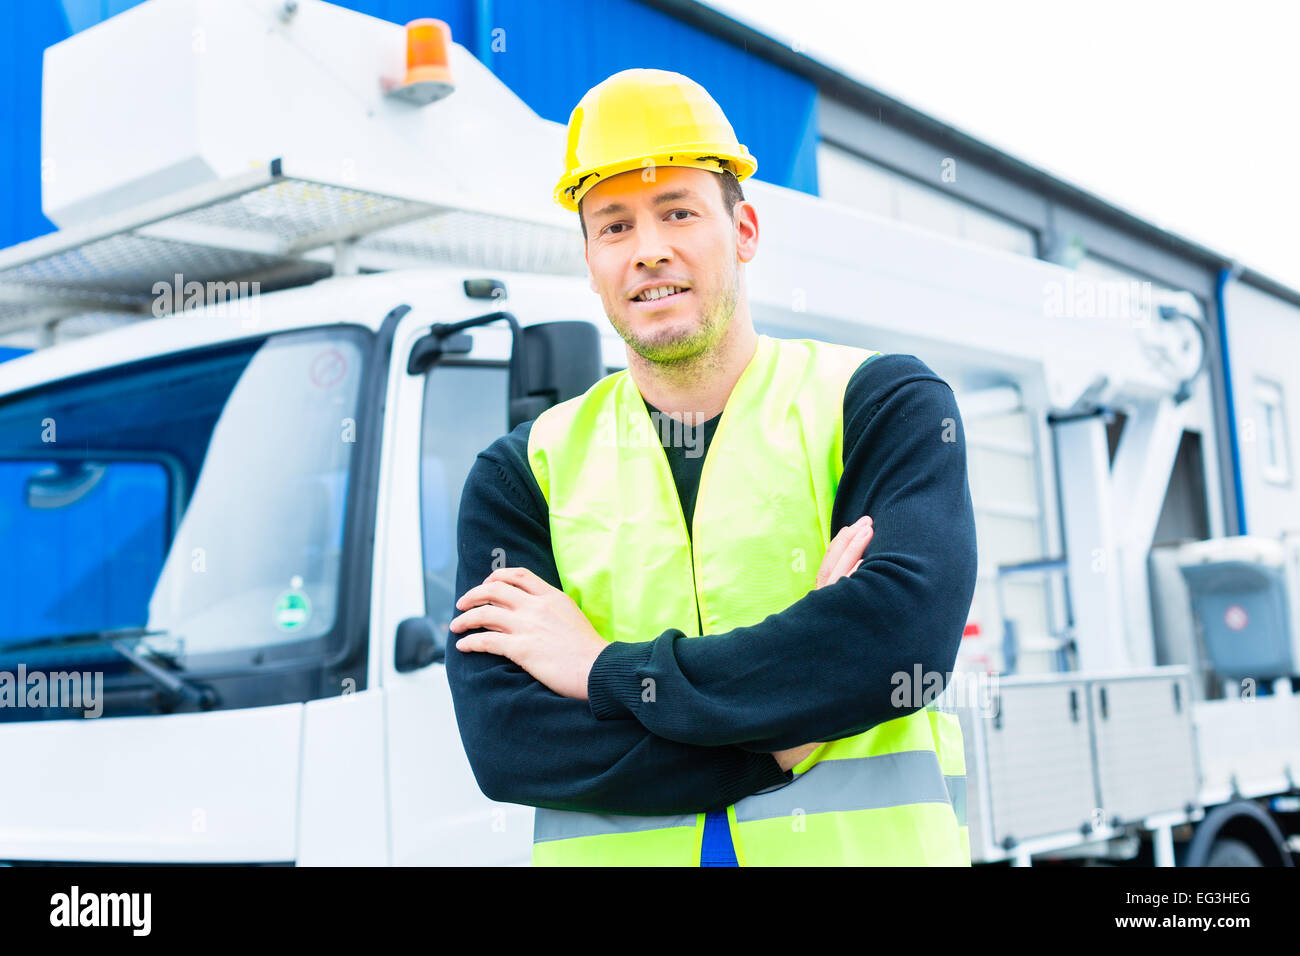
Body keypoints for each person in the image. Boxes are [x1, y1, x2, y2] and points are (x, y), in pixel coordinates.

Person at [446, 68, 977, 866]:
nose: (648, 249)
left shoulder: (879, 403)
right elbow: (512, 746)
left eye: (678, 211)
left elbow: (895, 646)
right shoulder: (524, 472)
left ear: (746, 231)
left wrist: (599, 669)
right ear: (589, 257)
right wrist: (780, 738)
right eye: (614, 226)